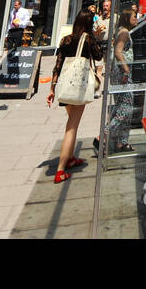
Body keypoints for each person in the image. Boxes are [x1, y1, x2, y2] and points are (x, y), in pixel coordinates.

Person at [47, 9, 94, 183]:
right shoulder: (88, 39)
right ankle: (60, 169)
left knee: (71, 123)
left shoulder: (66, 40)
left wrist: (52, 89)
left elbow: (58, 65)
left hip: (65, 88)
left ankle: (71, 157)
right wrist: (94, 37)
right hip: (78, 89)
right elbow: (98, 55)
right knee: (71, 127)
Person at [99, 8, 137, 155]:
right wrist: (126, 69)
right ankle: (105, 133)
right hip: (121, 72)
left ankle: (122, 142)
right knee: (126, 106)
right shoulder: (124, 32)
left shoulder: (120, 30)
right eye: (134, 17)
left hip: (118, 71)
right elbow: (118, 52)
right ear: (127, 18)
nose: (136, 19)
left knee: (124, 105)